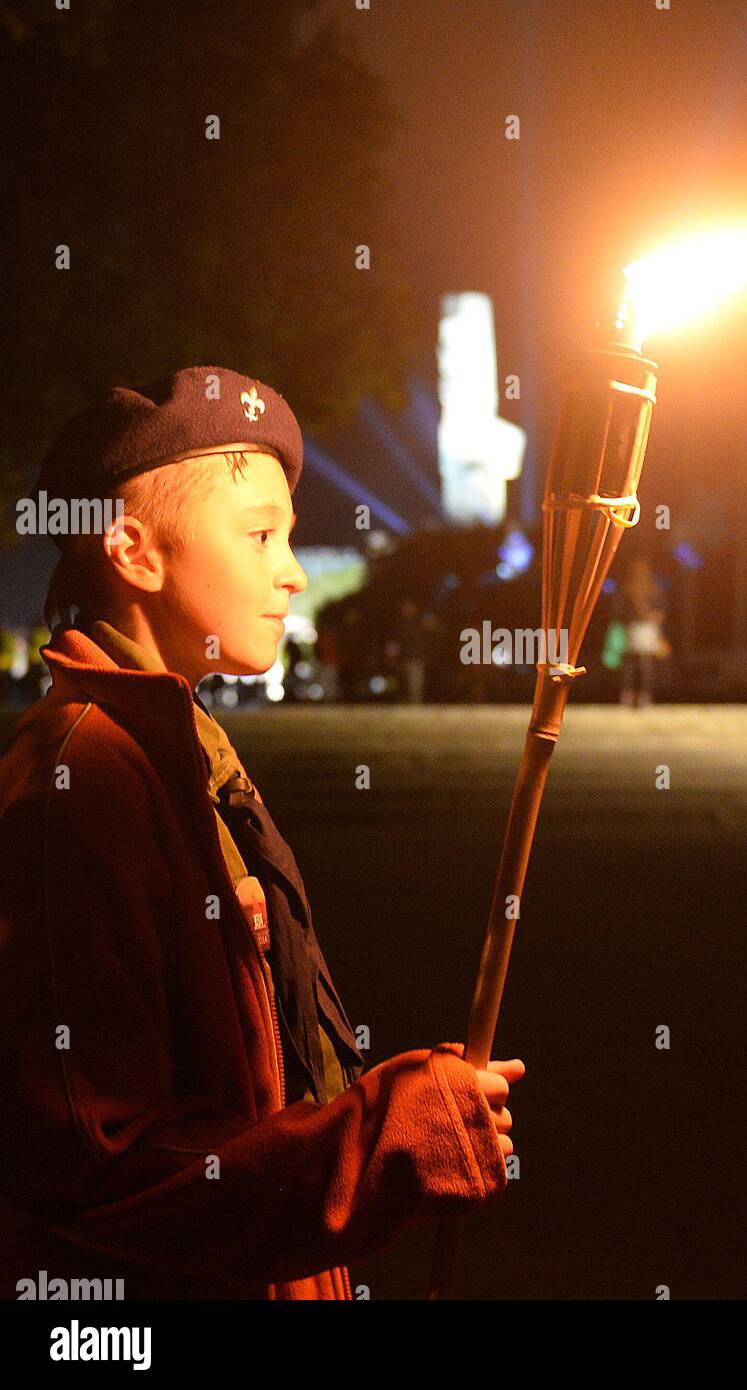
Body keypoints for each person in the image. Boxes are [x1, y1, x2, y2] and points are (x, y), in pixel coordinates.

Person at [0, 366, 524, 1301]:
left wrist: (401, 1100)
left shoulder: (179, 749)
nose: (291, 567)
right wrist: (375, 1143)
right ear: (133, 550)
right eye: (259, 535)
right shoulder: (80, 783)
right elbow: (94, 1169)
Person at [616, 558, 668, 709]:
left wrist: (654, 621)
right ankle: (628, 695)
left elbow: (661, 610)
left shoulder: (653, 589)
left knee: (645, 664)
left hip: (646, 628)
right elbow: (620, 611)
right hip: (633, 628)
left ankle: (644, 695)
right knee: (631, 663)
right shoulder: (628, 590)